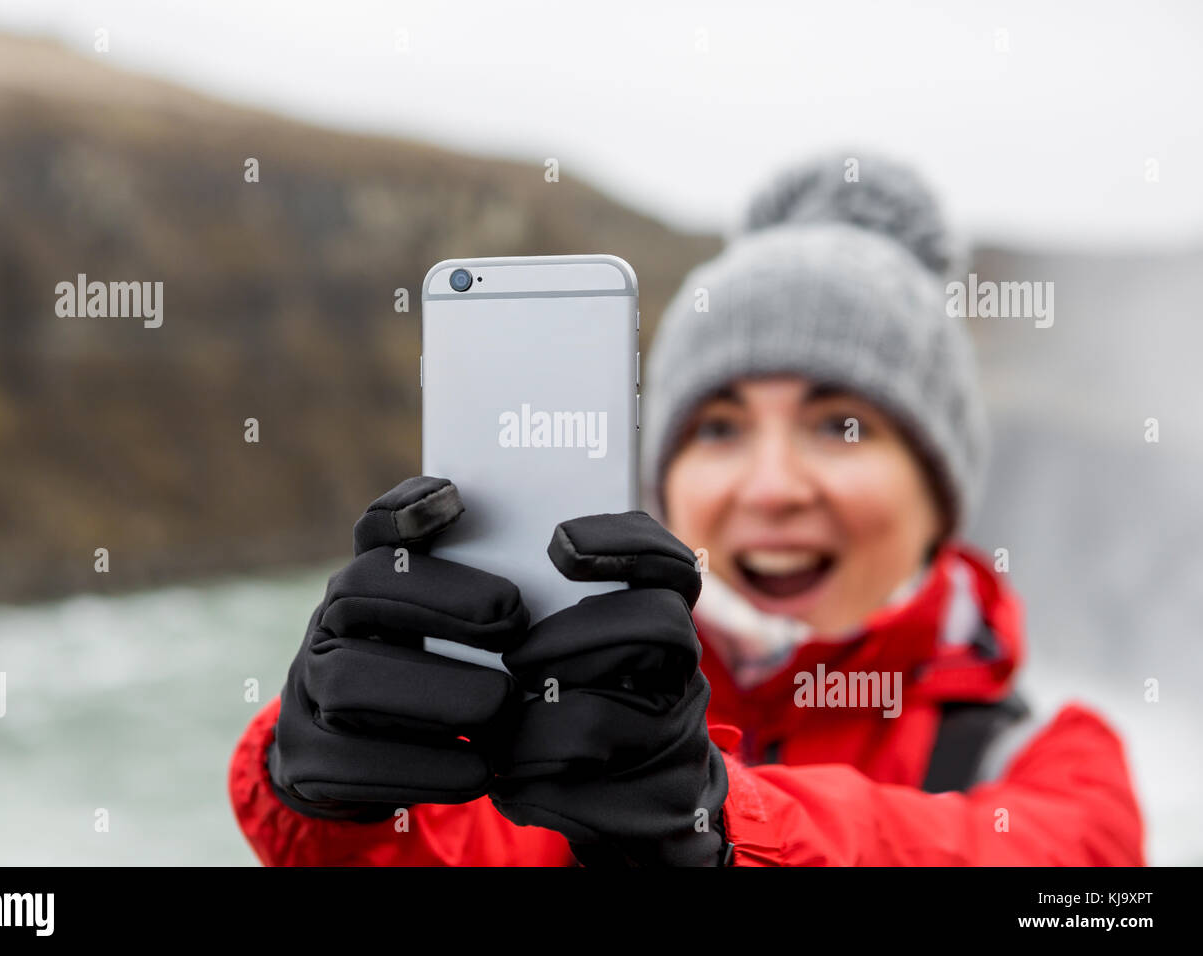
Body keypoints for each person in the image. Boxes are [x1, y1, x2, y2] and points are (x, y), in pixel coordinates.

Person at [228, 153, 1145, 866]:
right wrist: (323, 782)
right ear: (662, 482)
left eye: (844, 425)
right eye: (718, 427)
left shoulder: (1057, 767)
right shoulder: (540, 721)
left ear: (939, 490)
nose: (773, 484)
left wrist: (726, 828)